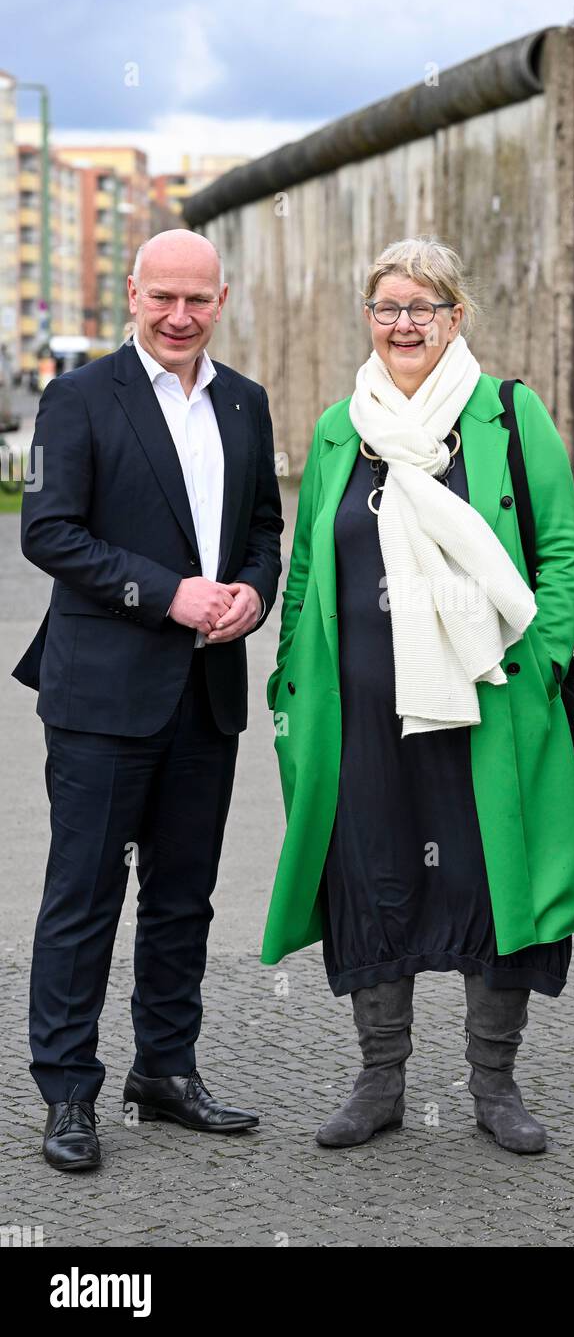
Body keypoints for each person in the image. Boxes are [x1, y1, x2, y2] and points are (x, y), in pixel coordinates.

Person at [263, 235, 574, 1154]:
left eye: (424, 307)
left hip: (487, 700)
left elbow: (562, 554)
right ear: (369, 319)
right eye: (387, 308)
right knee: (374, 882)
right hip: (362, 716)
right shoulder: (341, 427)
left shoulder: (506, 414)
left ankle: (495, 1086)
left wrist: (545, 665)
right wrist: (290, 674)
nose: (404, 323)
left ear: (457, 317)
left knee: (497, 884)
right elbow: (305, 570)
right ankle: (379, 1082)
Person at [13, 229, 283, 1172]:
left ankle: (165, 1071)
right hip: (101, 697)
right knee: (84, 897)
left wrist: (254, 591)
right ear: (132, 293)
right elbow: (48, 534)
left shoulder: (244, 402)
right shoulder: (78, 396)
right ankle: (68, 1091)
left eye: (197, 300)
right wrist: (168, 593)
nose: (179, 316)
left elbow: (263, 529)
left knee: (183, 898)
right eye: (162, 297)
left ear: (221, 298)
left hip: (205, 692)